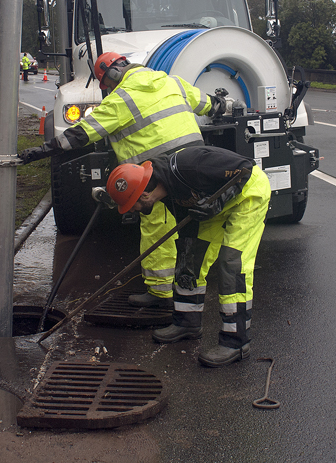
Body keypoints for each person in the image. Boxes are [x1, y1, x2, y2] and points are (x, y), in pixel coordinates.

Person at [18, 52, 227, 307]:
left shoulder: (120, 100)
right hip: (193, 165)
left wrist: (38, 152)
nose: (109, 90)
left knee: (156, 228)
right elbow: (211, 105)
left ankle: (162, 295)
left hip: (155, 174)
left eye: (107, 85)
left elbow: (79, 136)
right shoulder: (172, 82)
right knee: (192, 225)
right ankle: (190, 288)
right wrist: (226, 102)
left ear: (112, 76)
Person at [105, 146, 271, 367]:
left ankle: (236, 341)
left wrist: (217, 203)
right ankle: (187, 322)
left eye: (131, 205)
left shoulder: (191, 165)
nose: (132, 211)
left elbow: (244, 170)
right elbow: (187, 222)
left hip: (248, 195)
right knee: (189, 257)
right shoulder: (165, 192)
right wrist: (188, 244)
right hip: (212, 206)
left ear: (143, 194)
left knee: (232, 264)